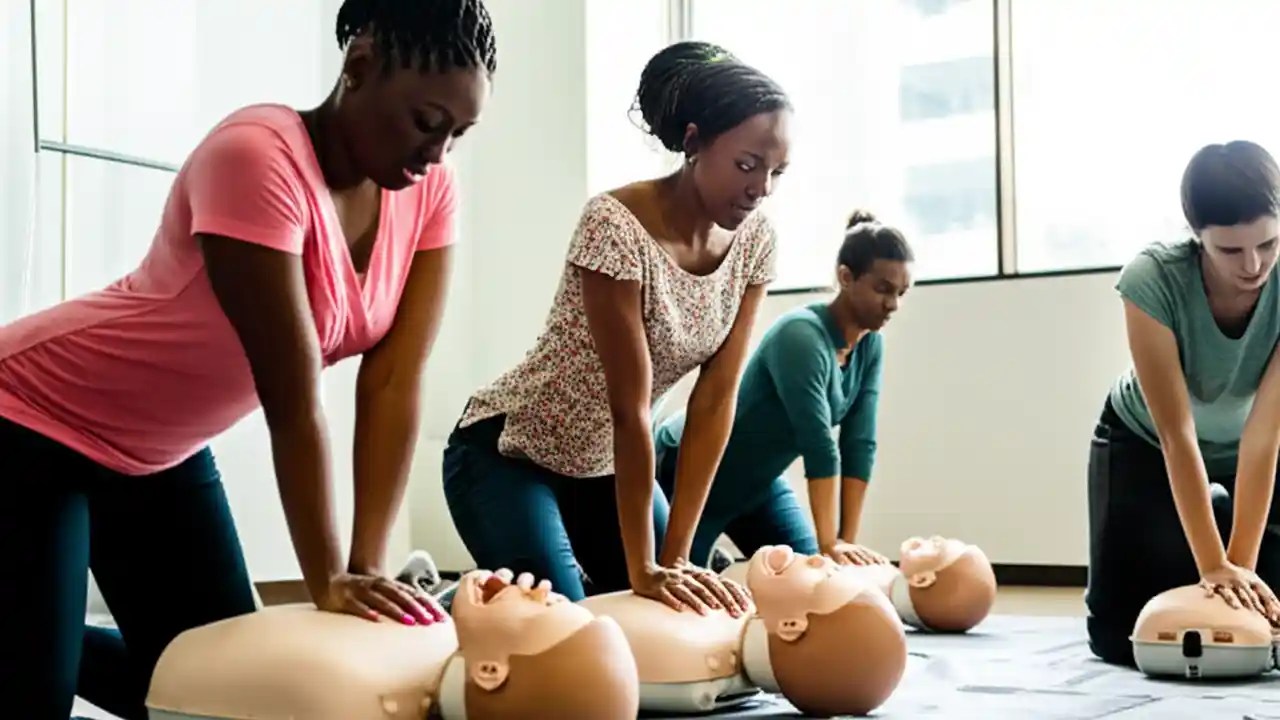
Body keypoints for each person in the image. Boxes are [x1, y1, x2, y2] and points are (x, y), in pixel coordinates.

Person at [1, 1, 496, 717]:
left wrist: (367, 567)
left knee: (221, 692)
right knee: (34, 696)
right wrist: (326, 578)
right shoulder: (256, 157)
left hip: (160, 454)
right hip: (34, 422)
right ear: (358, 68)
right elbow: (292, 397)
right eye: (426, 123)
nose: (438, 153)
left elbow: (392, 383)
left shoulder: (429, 192)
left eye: (459, 133)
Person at [442, 40, 789, 616]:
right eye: (748, 165)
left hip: (605, 468)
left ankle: (503, 585)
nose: (761, 188)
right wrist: (645, 569)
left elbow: (714, 401)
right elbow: (629, 407)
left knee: (668, 611)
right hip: (508, 454)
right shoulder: (613, 223)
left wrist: (673, 560)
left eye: (777, 171)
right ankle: (462, 598)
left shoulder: (756, 242)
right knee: (572, 630)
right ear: (695, 142)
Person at [1085, 140, 1280, 667]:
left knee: (1267, 610)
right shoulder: (1152, 279)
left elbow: (1265, 435)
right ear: (1198, 239)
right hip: (1146, 437)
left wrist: (1236, 571)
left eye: (1268, 244)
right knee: (1116, 635)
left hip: (1249, 443)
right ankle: (1202, 525)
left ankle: (1214, 522)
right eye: (1231, 251)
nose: (1254, 265)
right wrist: (1213, 568)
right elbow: (1178, 435)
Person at [653, 211, 913, 570]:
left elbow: (859, 443)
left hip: (759, 486)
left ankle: (714, 561)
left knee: (813, 580)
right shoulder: (801, 336)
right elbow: (818, 444)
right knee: (668, 596)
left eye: (901, 292)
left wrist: (843, 546)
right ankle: (702, 559)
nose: (893, 304)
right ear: (846, 277)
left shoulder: (870, 346)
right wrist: (827, 542)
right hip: (694, 472)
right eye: (883, 289)